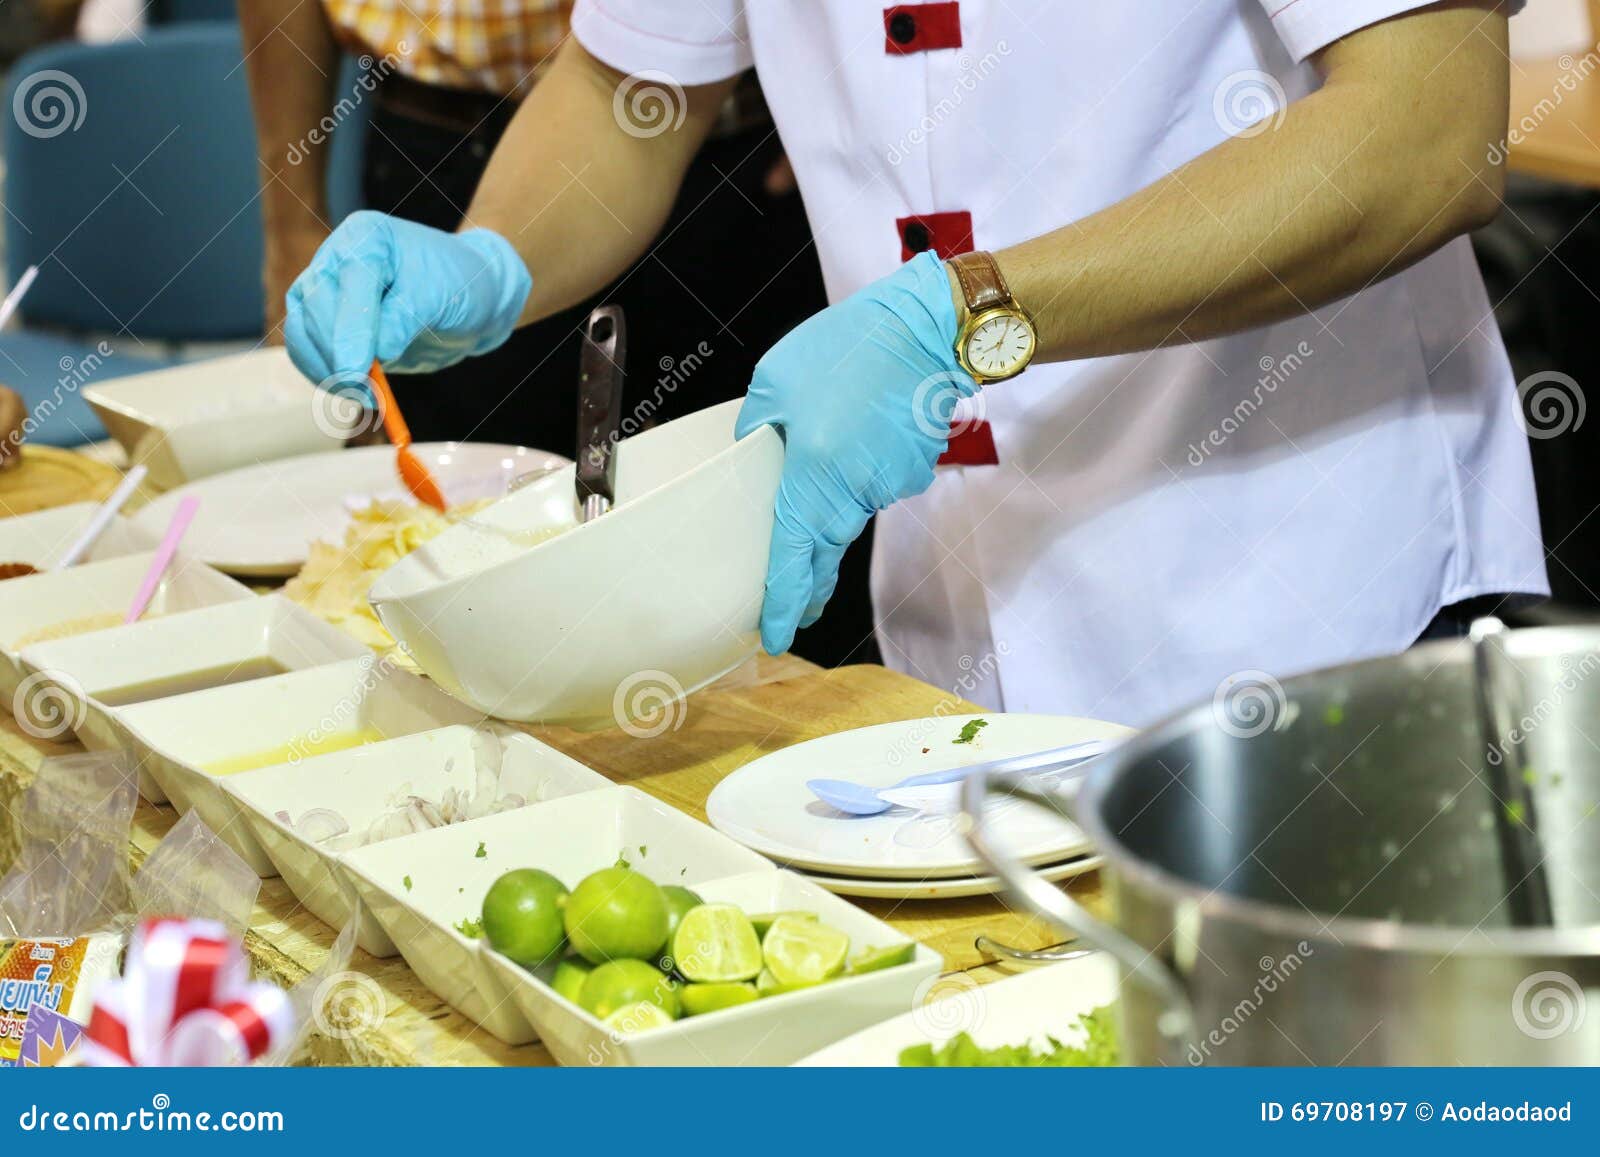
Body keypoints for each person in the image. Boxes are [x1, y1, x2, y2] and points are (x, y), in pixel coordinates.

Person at [283, 0, 1548, 726]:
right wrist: (492, 256)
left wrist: (967, 314)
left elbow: (1426, 129)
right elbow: (631, 89)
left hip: (1308, 607)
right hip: (948, 636)